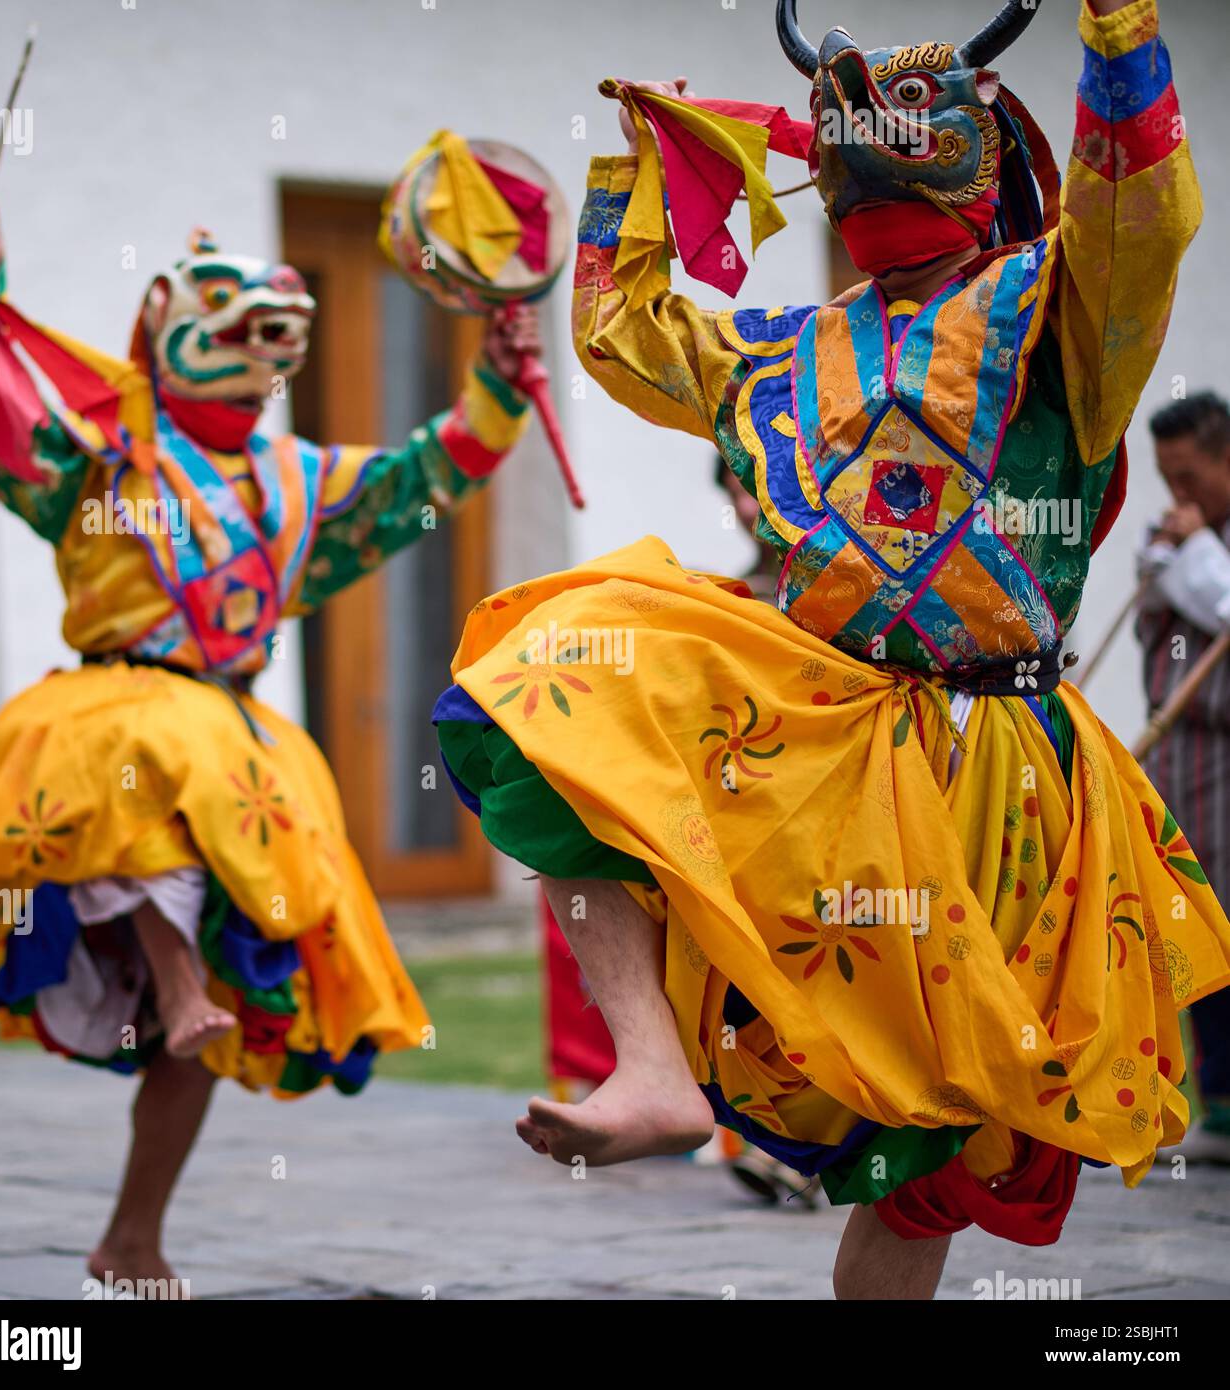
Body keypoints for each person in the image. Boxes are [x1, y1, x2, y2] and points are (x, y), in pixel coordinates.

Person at [434, 0, 1230, 1299]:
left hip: (1002, 782)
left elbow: (1143, 207)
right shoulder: (785, 350)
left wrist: (1121, 23)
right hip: (830, 750)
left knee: (932, 1170)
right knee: (541, 696)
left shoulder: (1060, 311)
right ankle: (649, 1065)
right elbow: (621, 329)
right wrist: (641, 163)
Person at [0, 210, 537, 1291]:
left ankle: (132, 1235)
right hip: (112, 718)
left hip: (234, 742)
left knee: (206, 1020)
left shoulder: (295, 480)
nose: (263, 377)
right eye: (240, 347)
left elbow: (414, 484)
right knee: (147, 765)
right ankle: (168, 969)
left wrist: (493, 386)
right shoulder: (100, 454)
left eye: (276, 358)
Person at [1137, 392, 1230, 1163]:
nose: (1179, 495)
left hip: (1224, 755)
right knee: (1192, 927)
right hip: (1178, 759)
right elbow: (1154, 607)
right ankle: (1220, 1106)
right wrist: (1169, 552)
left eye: (1191, 475)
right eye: (1168, 479)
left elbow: (1222, 602)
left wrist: (1194, 553)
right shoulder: (1178, 532)